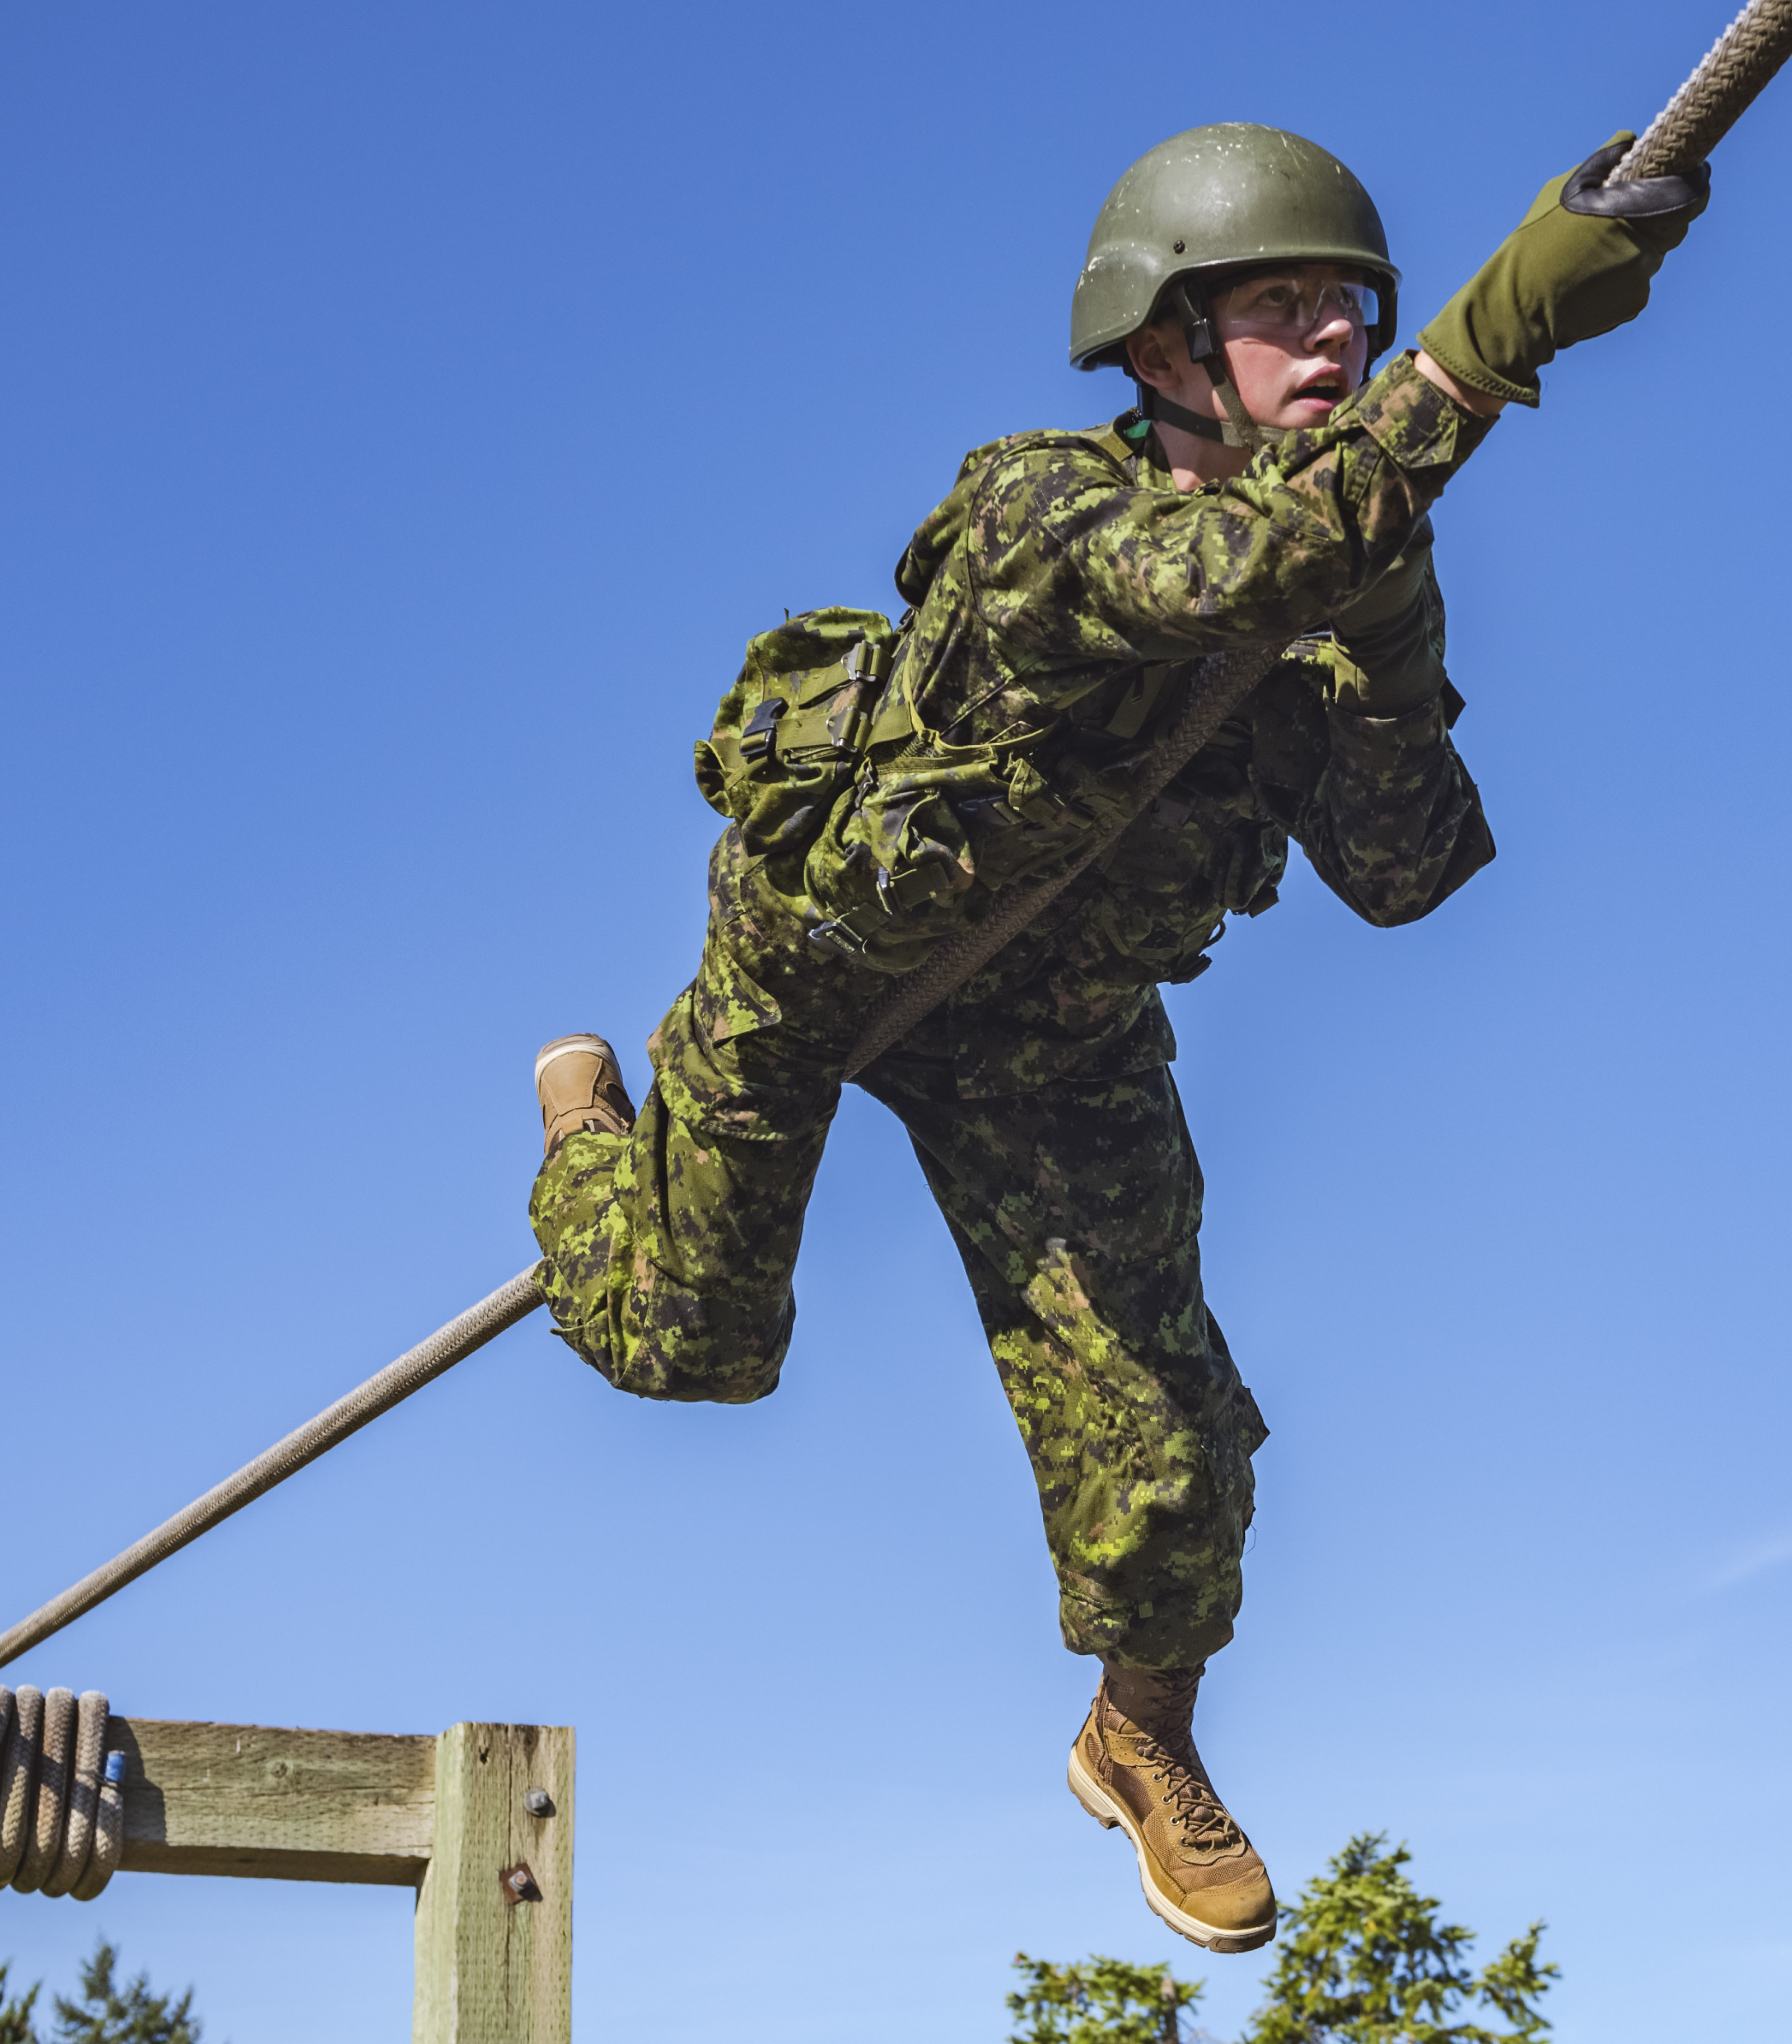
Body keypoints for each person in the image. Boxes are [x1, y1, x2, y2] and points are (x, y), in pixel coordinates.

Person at [526, 122, 1706, 1950]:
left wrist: (1389, 642)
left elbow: (1405, 876)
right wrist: (1478, 352)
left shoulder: (1322, 589)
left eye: (1360, 313)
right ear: (1165, 356)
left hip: (1053, 1040)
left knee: (1172, 1471)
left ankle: (1139, 1739)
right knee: (691, 1347)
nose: (1338, 341)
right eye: (1284, 308)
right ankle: (592, 1136)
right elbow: (1219, 574)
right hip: (824, 970)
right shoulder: (1043, 510)